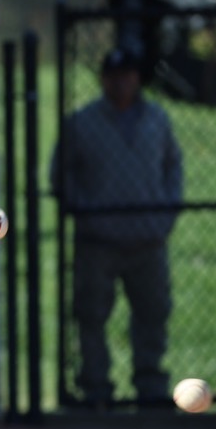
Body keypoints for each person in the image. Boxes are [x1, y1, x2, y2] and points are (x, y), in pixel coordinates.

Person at [51, 47, 186, 409]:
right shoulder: (82, 123)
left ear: (138, 78)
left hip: (148, 237)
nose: (121, 82)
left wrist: (166, 214)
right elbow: (61, 176)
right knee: (91, 314)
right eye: (113, 75)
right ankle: (95, 387)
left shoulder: (157, 119)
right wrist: (87, 214)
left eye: (127, 74)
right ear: (103, 79)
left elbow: (174, 167)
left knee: (153, 312)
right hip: (99, 241)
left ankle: (150, 384)